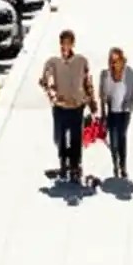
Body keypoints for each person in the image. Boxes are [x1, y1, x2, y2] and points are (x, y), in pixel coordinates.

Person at [40, 29, 98, 185]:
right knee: (59, 136)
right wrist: (52, 94)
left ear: (73, 43)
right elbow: (45, 80)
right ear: (60, 43)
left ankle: (75, 165)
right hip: (60, 106)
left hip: (77, 105)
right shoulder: (53, 62)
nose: (66, 45)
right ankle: (63, 162)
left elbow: (87, 82)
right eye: (63, 42)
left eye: (69, 42)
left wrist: (92, 102)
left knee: (75, 137)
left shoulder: (81, 61)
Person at [98, 47, 133, 180]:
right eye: (111, 60)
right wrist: (103, 113)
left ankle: (123, 165)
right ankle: (115, 163)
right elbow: (102, 95)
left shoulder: (130, 74)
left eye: (116, 60)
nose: (114, 63)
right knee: (113, 139)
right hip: (111, 111)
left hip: (124, 112)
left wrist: (129, 106)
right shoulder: (105, 75)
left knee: (122, 137)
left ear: (122, 60)